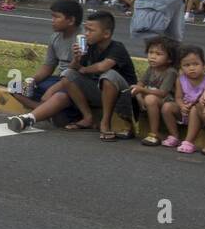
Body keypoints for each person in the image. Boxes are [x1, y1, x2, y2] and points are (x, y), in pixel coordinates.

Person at [11, 10, 136, 141]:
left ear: (106, 34)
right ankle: (87, 117)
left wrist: (84, 69)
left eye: (91, 31)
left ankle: (105, 122)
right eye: (86, 30)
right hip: (97, 91)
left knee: (109, 75)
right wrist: (76, 59)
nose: (86, 34)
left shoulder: (117, 47)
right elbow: (71, 71)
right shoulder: (87, 46)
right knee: (67, 73)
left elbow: (102, 67)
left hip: (122, 94)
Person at [9, 0, 83, 122]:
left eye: (56, 17)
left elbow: (78, 73)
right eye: (52, 17)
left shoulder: (82, 39)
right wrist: (31, 81)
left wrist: (52, 90)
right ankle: (46, 110)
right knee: (15, 87)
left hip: (74, 81)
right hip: (59, 79)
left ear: (71, 20)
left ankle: (41, 111)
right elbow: (48, 66)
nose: (52, 21)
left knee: (60, 95)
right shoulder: (55, 37)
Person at [161, 45, 205, 154]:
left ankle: (188, 141)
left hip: (200, 115)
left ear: (204, 65)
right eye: (187, 65)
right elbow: (178, 98)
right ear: (181, 68)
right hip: (185, 111)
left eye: (195, 64)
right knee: (167, 107)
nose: (191, 68)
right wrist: (182, 106)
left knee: (196, 108)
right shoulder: (181, 80)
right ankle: (174, 136)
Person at [131, 36, 178, 146]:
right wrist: (138, 95)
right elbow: (140, 83)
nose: (153, 56)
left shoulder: (170, 72)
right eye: (150, 52)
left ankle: (154, 134)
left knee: (150, 98)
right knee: (133, 93)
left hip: (168, 102)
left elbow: (163, 93)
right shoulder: (151, 69)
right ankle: (128, 127)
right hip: (154, 100)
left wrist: (142, 90)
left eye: (158, 54)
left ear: (169, 59)